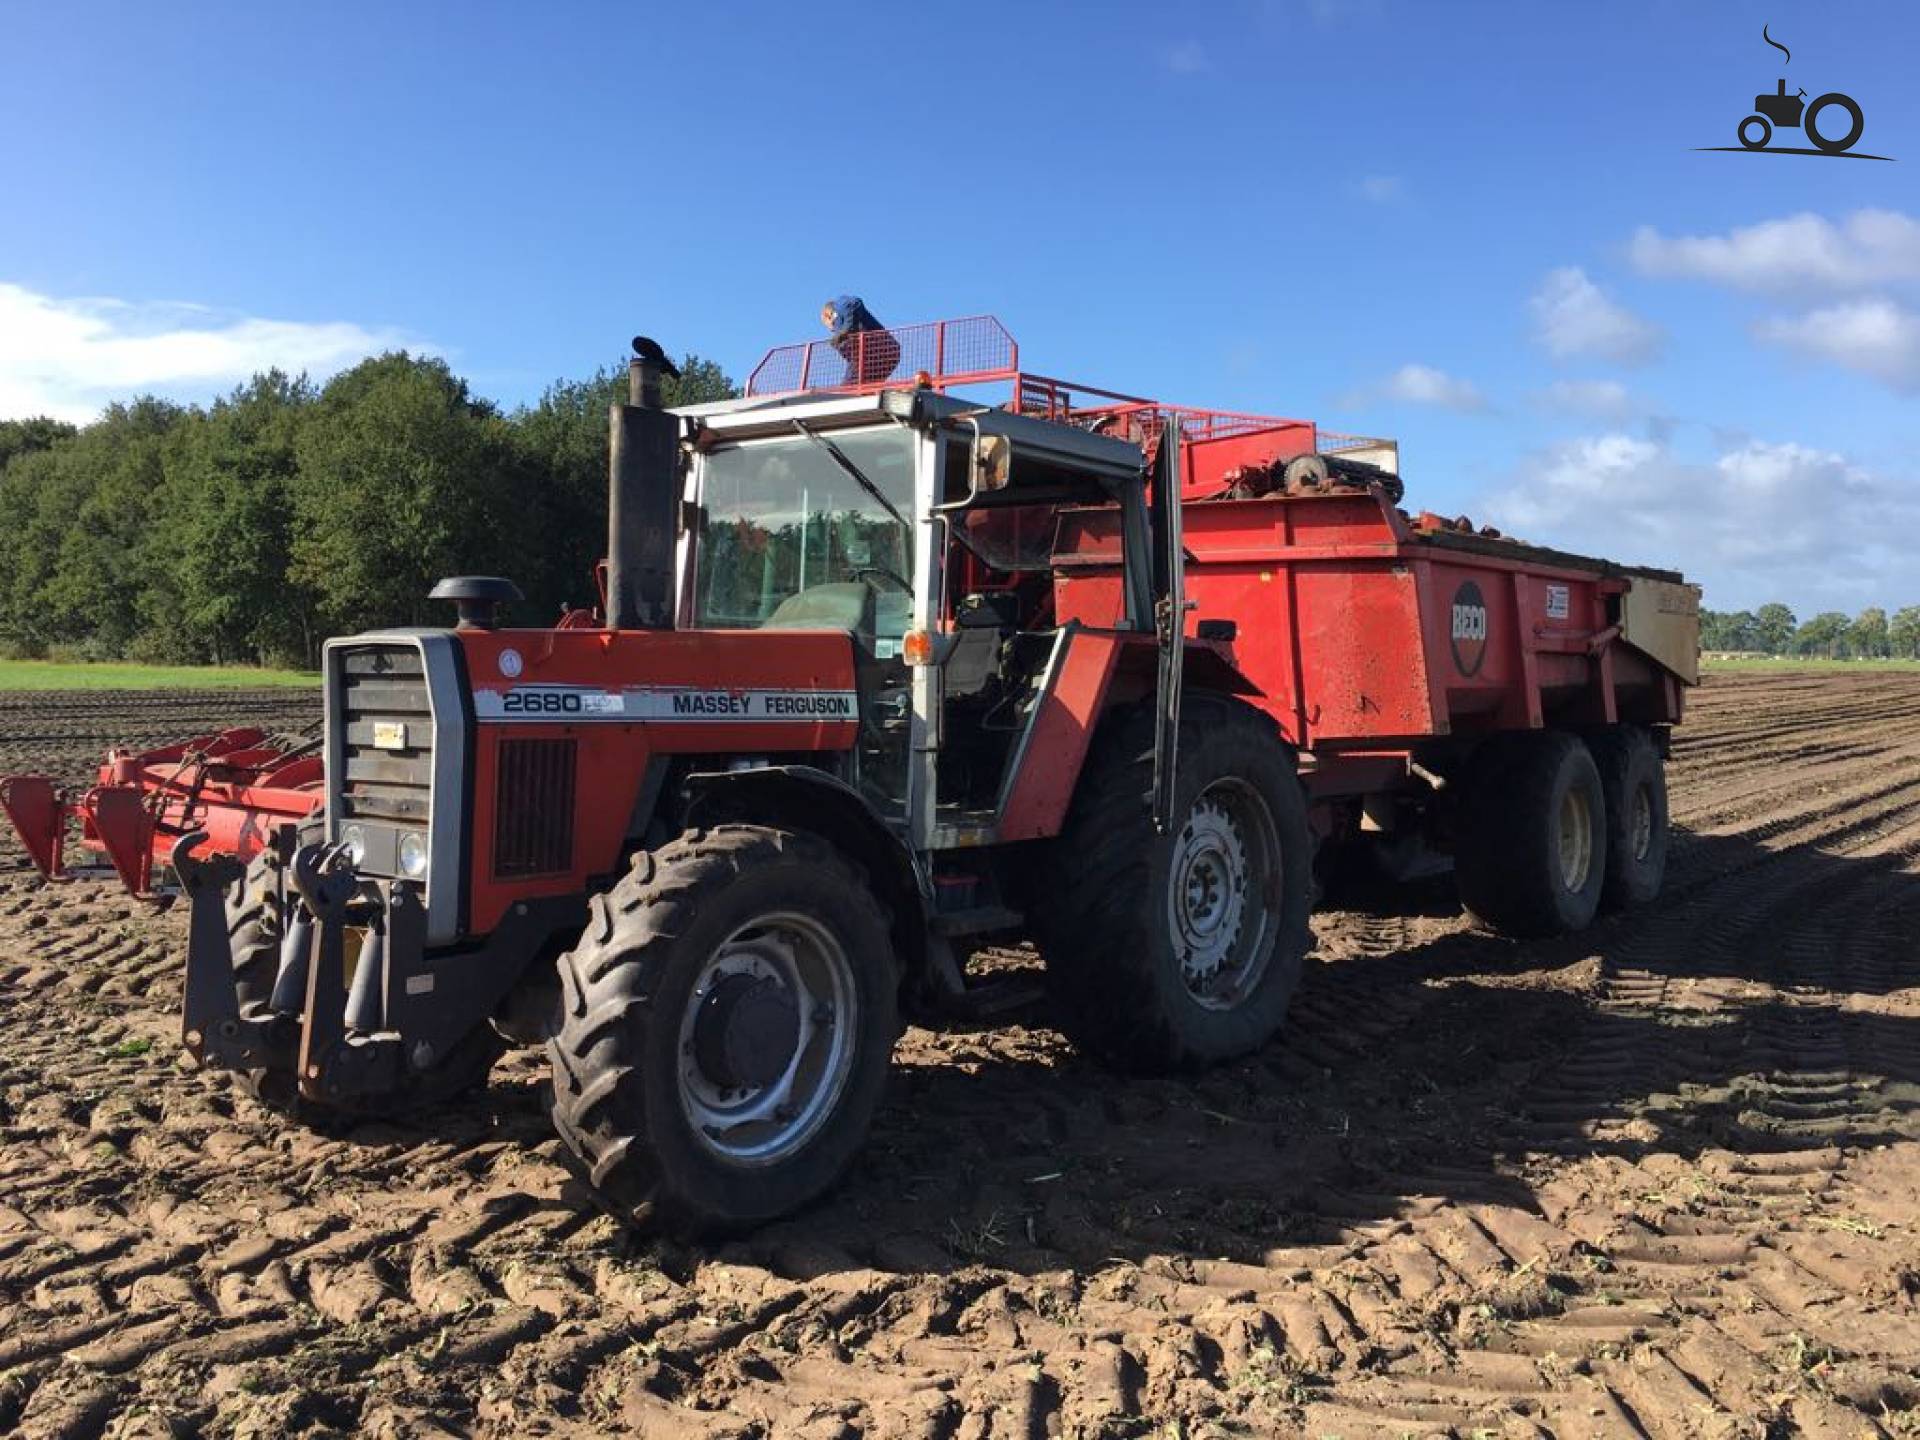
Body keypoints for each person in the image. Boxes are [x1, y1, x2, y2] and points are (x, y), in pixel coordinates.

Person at [820, 295, 902, 386]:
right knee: (866, 388)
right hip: (882, 357)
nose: (831, 330)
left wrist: (845, 330)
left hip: (876, 350)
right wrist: (840, 345)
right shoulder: (842, 331)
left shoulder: (838, 306)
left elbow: (854, 302)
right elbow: (851, 357)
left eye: (828, 325)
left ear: (828, 316)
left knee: (847, 389)